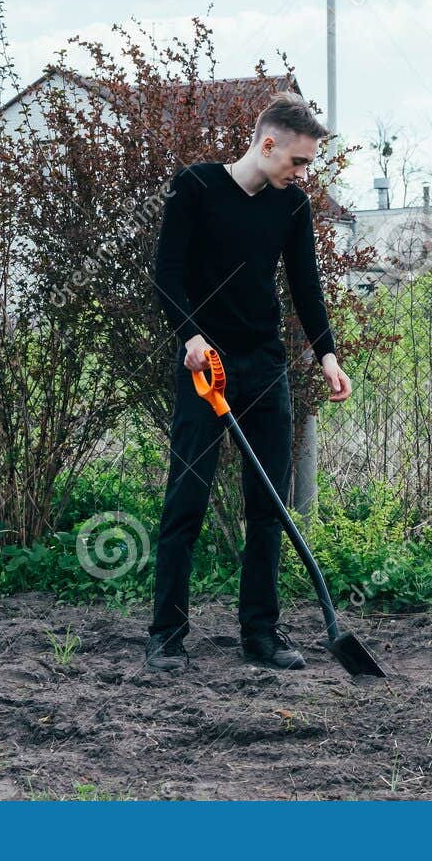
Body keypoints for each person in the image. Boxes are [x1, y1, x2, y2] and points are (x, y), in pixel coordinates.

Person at [145, 91, 352, 671]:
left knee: (269, 507)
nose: (302, 173)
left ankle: (260, 636)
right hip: (205, 369)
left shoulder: (291, 209)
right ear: (267, 144)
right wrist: (190, 336)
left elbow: (305, 286)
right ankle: (166, 635)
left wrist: (327, 355)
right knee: (186, 500)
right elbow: (167, 273)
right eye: (299, 162)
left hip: (265, 369)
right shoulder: (196, 188)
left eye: (306, 164)